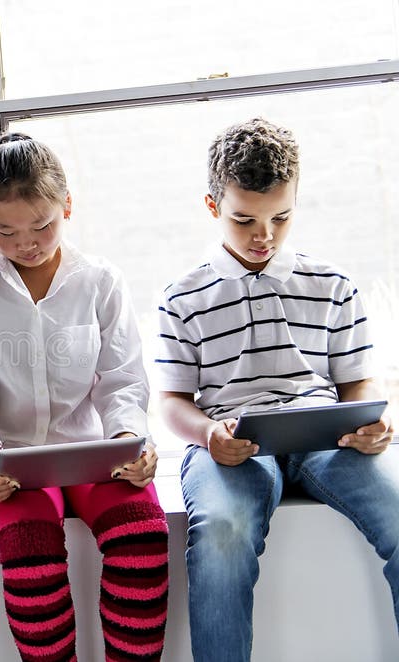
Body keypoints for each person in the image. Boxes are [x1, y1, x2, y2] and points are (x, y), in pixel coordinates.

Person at [156, 117, 399, 662]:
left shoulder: (333, 284)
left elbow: (358, 379)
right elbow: (171, 402)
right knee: (221, 534)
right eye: (244, 220)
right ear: (212, 206)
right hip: (232, 440)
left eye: (280, 217)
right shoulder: (183, 296)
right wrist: (207, 433)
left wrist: (373, 425)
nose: (264, 235)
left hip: (326, 436)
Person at [0, 133, 169, 662]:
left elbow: (123, 383)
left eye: (42, 225)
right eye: (5, 231)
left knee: (142, 537)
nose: (26, 243)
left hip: (92, 453)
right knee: (30, 551)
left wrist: (132, 442)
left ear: (68, 205)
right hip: (3, 459)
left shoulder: (100, 280)